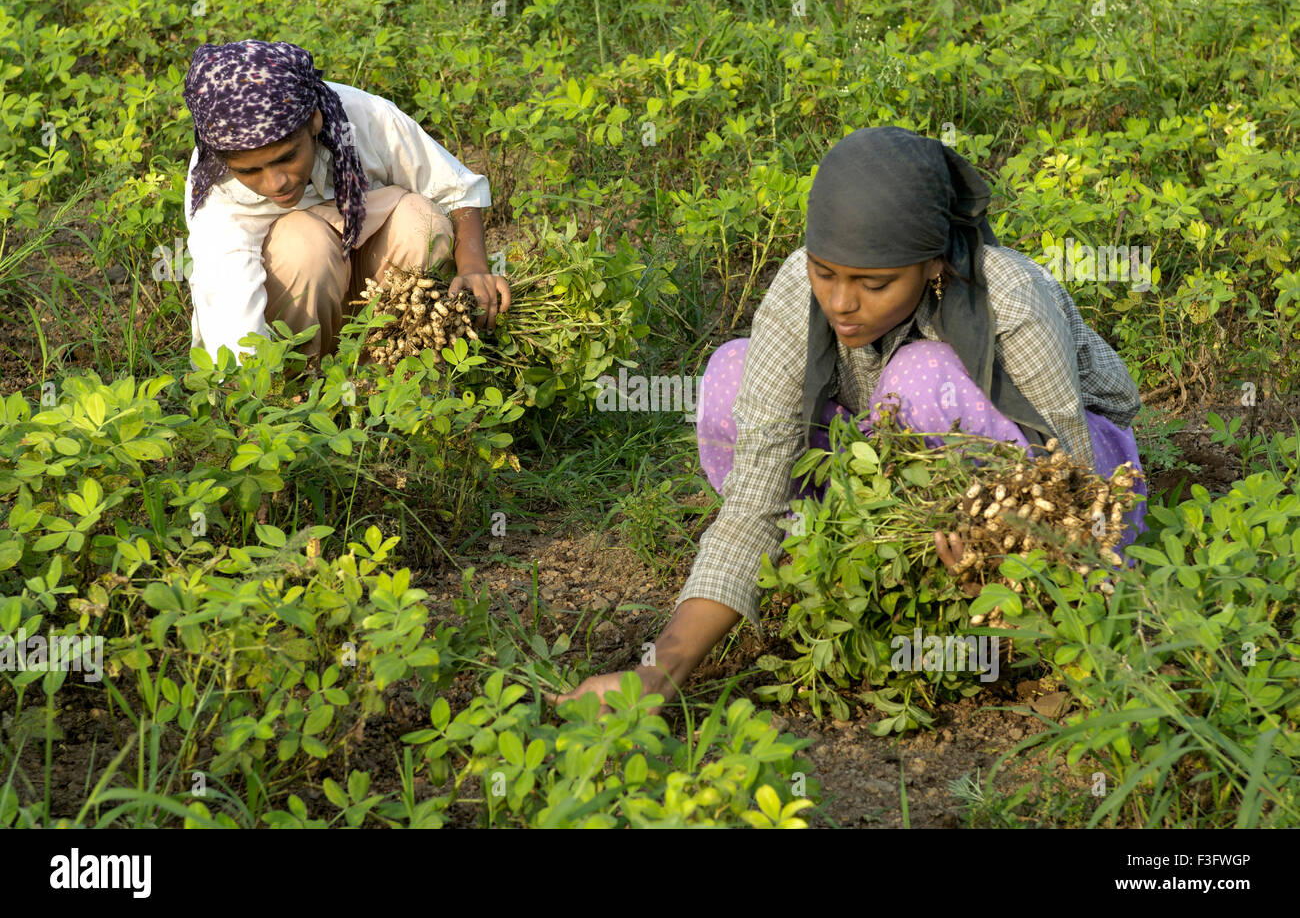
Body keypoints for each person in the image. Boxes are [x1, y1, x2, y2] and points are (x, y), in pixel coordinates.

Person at [555, 126, 1148, 714]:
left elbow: (1080, 489)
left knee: (918, 376)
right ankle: (825, 554)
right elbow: (752, 504)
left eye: (875, 284)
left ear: (933, 265)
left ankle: (988, 603)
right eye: (825, 272)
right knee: (731, 375)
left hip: (1065, 473)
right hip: (891, 458)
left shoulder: (1011, 300)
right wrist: (656, 674)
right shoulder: (797, 293)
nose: (840, 303)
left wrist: (1011, 553)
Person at [181, 39, 511, 368]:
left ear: (315, 121)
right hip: (296, 318)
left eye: (287, 158)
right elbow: (230, 299)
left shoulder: (364, 118)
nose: (275, 182)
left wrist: (475, 269)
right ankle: (301, 389)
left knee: (420, 224)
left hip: (373, 291)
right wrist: (251, 390)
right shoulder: (215, 186)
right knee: (303, 246)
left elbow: (456, 190)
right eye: (249, 171)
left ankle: (396, 375)